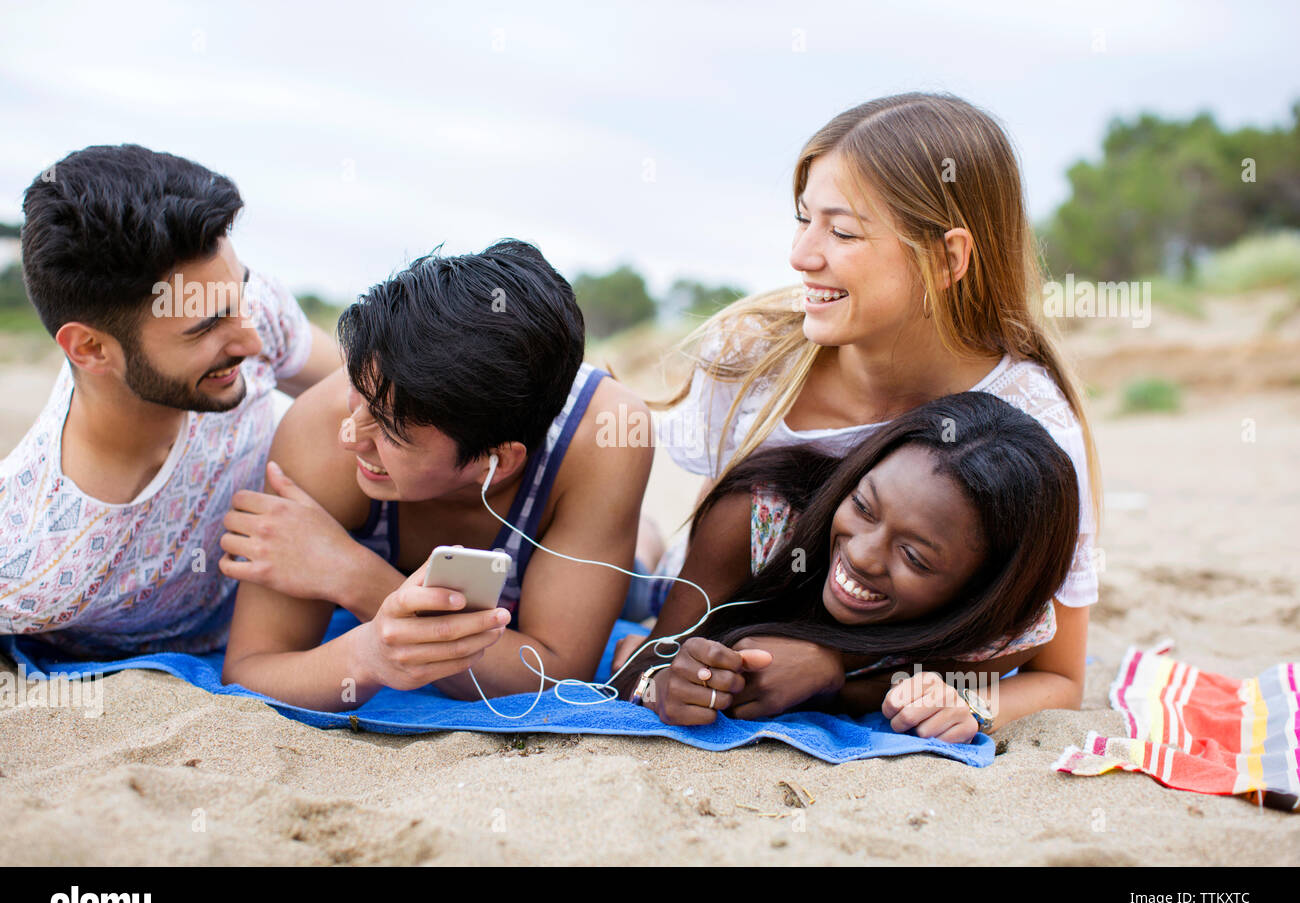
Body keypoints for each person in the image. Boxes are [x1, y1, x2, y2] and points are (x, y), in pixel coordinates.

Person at [617, 92, 1100, 728]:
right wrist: (664, 665)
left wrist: (916, 689)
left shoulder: (1032, 432)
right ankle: (642, 551)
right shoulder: (757, 359)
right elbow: (718, 557)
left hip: (881, 639)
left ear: (949, 258)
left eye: (843, 231)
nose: (801, 255)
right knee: (640, 564)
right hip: (737, 596)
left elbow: (1059, 675)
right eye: (803, 218)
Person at [219, 240, 654, 712]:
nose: (351, 436)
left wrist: (350, 574)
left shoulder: (603, 436)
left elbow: (555, 677)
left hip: (557, 563)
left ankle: (645, 541)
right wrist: (365, 656)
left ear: (494, 462)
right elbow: (249, 670)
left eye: (388, 429)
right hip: (508, 592)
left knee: (637, 587)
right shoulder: (320, 429)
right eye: (357, 392)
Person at [0, 145, 339, 657]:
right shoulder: (27, 552)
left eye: (240, 298)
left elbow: (370, 398)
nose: (250, 340)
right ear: (91, 349)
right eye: (205, 328)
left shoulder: (240, 306)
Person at [614, 392, 1079, 744]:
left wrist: (834, 669)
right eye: (863, 505)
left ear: (980, 592)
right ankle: (648, 542)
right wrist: (663, 682)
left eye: (914, 556)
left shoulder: (998, 630)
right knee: (636, 580)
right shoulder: (755, 516)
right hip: (703, 575)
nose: (861, 555)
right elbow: (641, 668)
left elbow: (1058, 685)